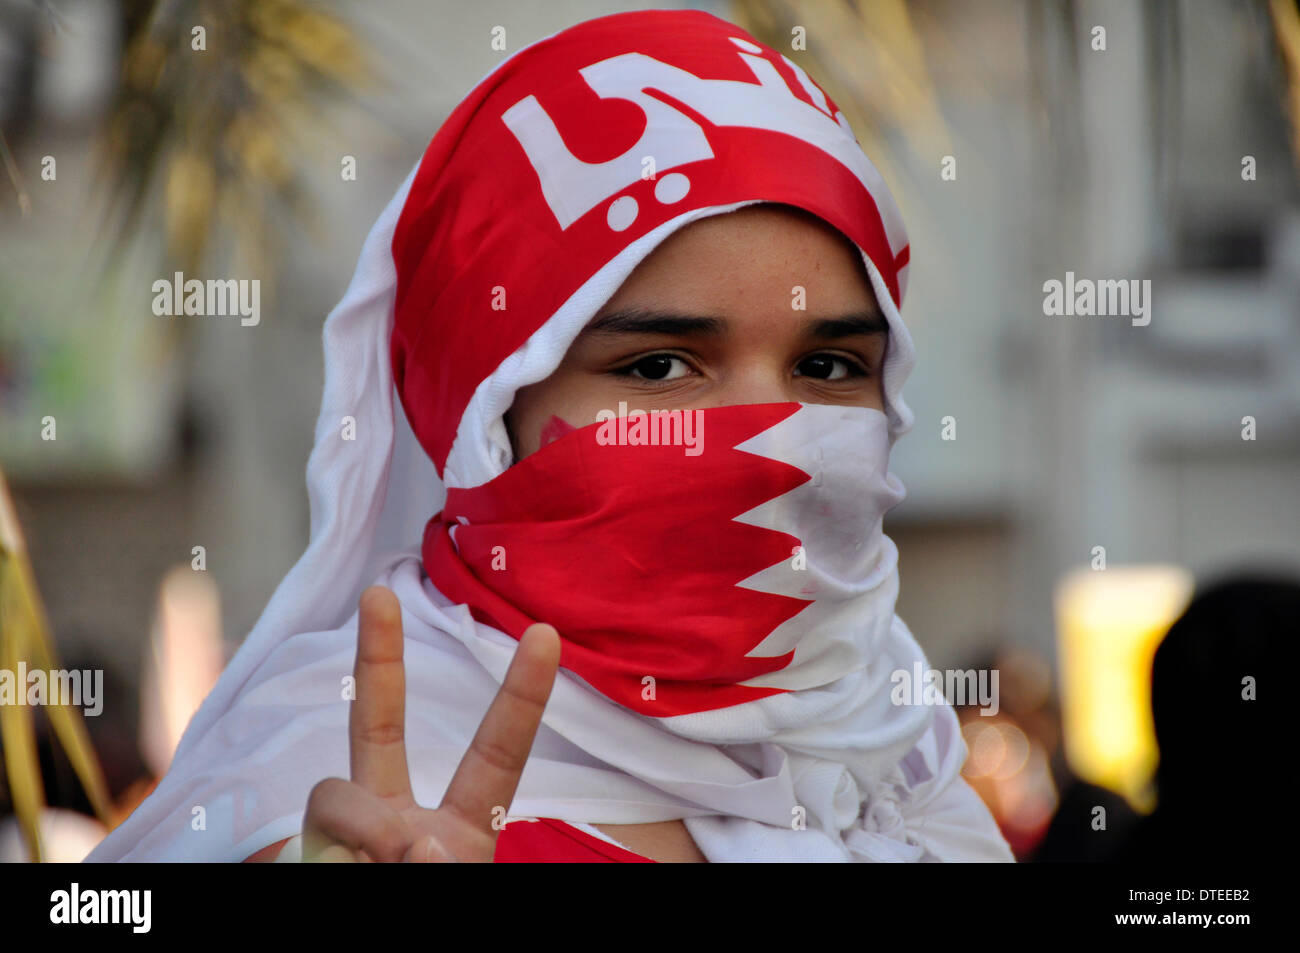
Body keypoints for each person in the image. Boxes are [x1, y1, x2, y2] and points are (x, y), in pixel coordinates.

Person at [85, 8, 1014, 863]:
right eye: (659, 367)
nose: (774, 433)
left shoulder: (898, 735)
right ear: (489, 422)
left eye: (828, 367)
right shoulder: (338, 794)